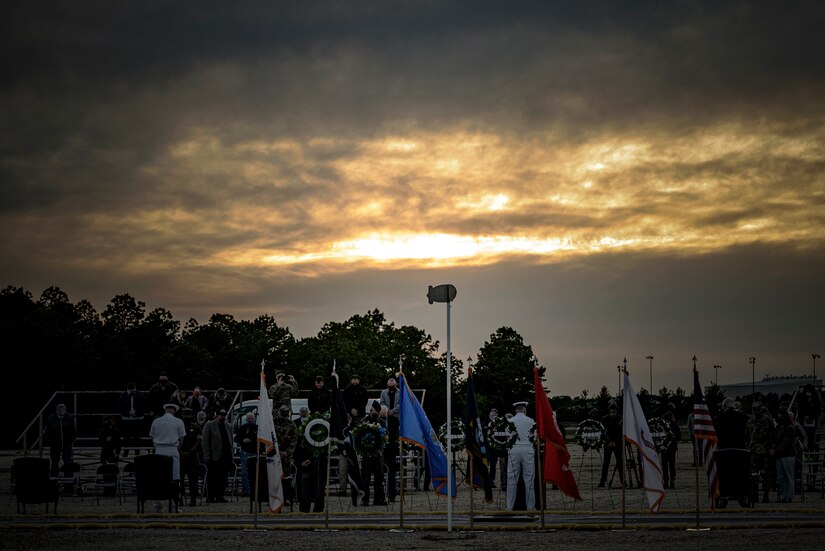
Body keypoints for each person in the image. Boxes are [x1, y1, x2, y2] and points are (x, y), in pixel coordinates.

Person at [148, 402, 186, 511]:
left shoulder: (156, 421)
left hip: (159, 450)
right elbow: (182, 439)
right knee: (174, 480)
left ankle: (157, 506)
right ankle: (174, 507)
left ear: (165, 409)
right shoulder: (179, 421)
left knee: (158, 479)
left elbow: (152, 437)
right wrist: (176, 449)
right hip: (172, 450)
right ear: (174, 410)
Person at [506, 401, 535, 510]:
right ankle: (530, 506)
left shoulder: (511, 421)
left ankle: (509, 507)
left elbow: (507, 435)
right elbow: (534, 434)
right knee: (529, 478)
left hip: (514, 448)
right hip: (527, 448)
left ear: (516, 410)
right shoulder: (530, 421)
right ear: (524, 409)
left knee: (512, 478)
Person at [201, 409, 233, 503]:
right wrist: (206, 454)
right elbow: (205, 441)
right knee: (212, 477)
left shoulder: (229, 426)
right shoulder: (209, 425)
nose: (222, 417)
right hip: (214, 456)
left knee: (223, 477)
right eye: (221, 415)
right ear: (217, 415)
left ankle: (220, 495)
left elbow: (230, 441)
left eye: (224, 415)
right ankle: (210, 496)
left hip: (226, 456)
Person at [359, 400, 387, 506]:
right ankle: (365, 499)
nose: (376, 413)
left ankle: (379, 499)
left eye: (378, 411)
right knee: (365, 477)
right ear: (371, 410)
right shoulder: (364, 421)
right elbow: (359, 436)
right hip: (367, 453)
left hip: (378, 453)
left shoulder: (382, 422)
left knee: (379, 477)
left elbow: (385, 435)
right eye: (375, 410)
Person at [747, 405, 776, 503]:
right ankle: (754, 495)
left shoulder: (768, 421)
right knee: (753, 474)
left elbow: (773, 435)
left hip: (765, 451)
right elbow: (747, 436)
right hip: (753, 451)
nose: (756, 412)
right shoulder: (750, 421)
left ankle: (765, 495)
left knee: (765, 474)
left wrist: (772, 447)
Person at [380, 376, 400, 502]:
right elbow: (382, 403)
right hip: (387, 417)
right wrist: (387, 411)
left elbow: (401, 403)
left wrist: (393, 411)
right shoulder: (383, 393)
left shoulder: (400, 392)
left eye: (392, 386)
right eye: (389, 386)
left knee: (392, 466)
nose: (391, 388)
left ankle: (392, 493)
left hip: (396, 418)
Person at [274, 404, 299, 506]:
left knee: (287, 478)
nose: (284, 415)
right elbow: (271, 438)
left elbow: (294, 440)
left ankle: (287, 498)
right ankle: (275, 498)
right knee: (275, 478)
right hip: (275, 455)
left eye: (286, 413)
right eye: (282, 413)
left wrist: (287, 452)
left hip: (286, 456)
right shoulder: (273, 423)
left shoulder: (291, 424)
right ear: (279, 412)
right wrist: (277, 451)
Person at [179, 407, 203, 506]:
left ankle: (193, 499)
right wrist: (180, 451)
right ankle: (179, 498)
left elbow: (199, 440)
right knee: (179, 479)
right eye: (185, 415)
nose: (187, 417)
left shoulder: (196, 427)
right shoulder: (178, 426)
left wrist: (190, 450)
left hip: (192, 456)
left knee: (193, 480)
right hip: (180, 455)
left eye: (188, 415)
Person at [45, 403, 76, 478]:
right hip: (55, 446)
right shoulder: (52, 418)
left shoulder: (69, 417)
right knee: (54, 464)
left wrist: (72, 441)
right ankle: (54, 484)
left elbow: (73, 431)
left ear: (65, 410)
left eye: (63, 409)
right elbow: (47, 431)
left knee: (68, 464)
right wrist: (51, 442)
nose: (61, 411)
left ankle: (68, 485)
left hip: (67, 446)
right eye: (59, 409)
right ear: (56, 410)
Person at [234, 411, 260, 497]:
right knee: (245, 472)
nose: (250, 420)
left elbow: (261, 439)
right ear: (246, 419)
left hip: (255, 453)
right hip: (245, 452)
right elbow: (236, 439)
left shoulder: (258, 428)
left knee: (255, 473)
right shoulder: (242, 428)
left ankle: (255, 491)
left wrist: (252, 440)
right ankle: (246, 491)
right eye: (248, 418)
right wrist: (243, 440)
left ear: (254, 418)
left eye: (252, 418)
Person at [774, 409, 797, 503]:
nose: (780, 418)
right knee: (781, 477)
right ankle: (784, 496)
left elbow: (787, 441)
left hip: (788, 454)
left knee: (789, 476)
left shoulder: (790, 427)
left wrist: (775, 449)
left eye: (781, 416)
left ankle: (789, 496)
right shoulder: (778, 427)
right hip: (779, 455)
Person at [598, 402, 623, 487]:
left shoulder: (621, 419)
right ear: (609, 410)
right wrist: (609, 441)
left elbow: (620, 432)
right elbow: (603, 432)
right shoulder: (604, 419)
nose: (613, 412)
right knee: (606, 463)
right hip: (607, 444)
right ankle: (602, 481)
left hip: (618, 444)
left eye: (614, 410)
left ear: (616, 410)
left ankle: (623, 481)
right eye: (611, 411)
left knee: (620, 463)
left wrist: (615, 441)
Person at [118, 382, 145, 457]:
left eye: (133, 391)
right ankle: (126, 452)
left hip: (138, 419)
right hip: (126, 419)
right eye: (130, 391)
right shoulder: (123, 395)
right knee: (126, 437)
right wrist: (128, 412)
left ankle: (137, 452)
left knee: (137, 437)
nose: (131, 392)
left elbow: (143, 405)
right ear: (128, 389)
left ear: (135, 388)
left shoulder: (140, 394)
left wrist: (136, 411)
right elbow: (120, 406)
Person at [797, 384, 822, 451]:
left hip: (813, 421)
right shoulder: (802, 399)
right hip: (803, 421)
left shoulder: (816, 400)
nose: (808, 392)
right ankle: (805, 452)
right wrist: (804, 416)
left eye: (809, 391)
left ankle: (811, 453)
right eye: (807, 391)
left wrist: (811, 416)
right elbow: (800, 410)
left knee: (812, 437)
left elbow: (818, 411)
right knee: (804, 436)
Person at [661, 411, 681, 489]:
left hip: (665, 448)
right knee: (671, 464)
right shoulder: (675, 425)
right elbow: (679, 437)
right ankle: (671, 480)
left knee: (665, 465)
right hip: (670, 447)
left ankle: (667, 481)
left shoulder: (663, 426)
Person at [485, 408, 501, 488]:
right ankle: (485, 481)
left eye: (495, 414)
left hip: (495, 448)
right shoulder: (485, 422)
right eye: (492, 413)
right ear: (489, 414)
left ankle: (492, 481)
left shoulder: (499, 424)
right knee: (485, 464)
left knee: (493, 466)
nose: (493, 415)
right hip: (487, 447)